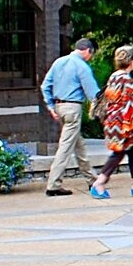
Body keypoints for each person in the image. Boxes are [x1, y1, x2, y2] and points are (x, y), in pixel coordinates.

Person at [88, 44, 133, 199]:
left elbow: (111, 100)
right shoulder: (127, 81)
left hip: (112, 122)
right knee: (119, 152)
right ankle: (99, 183)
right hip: (123, 124)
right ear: (132, 61)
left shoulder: (114, 77)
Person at [38, 35, 100, 196]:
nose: (90, 58)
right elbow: (92, 92)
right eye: (91, 54)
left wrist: (51, 106)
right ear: (87, 51)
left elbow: (45, 85)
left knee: (79, 145)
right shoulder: (82, 66)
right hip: (73, 107)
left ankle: (92, 179)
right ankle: (53, 184)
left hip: (59, 106)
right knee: (65, 147)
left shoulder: (59, 62)